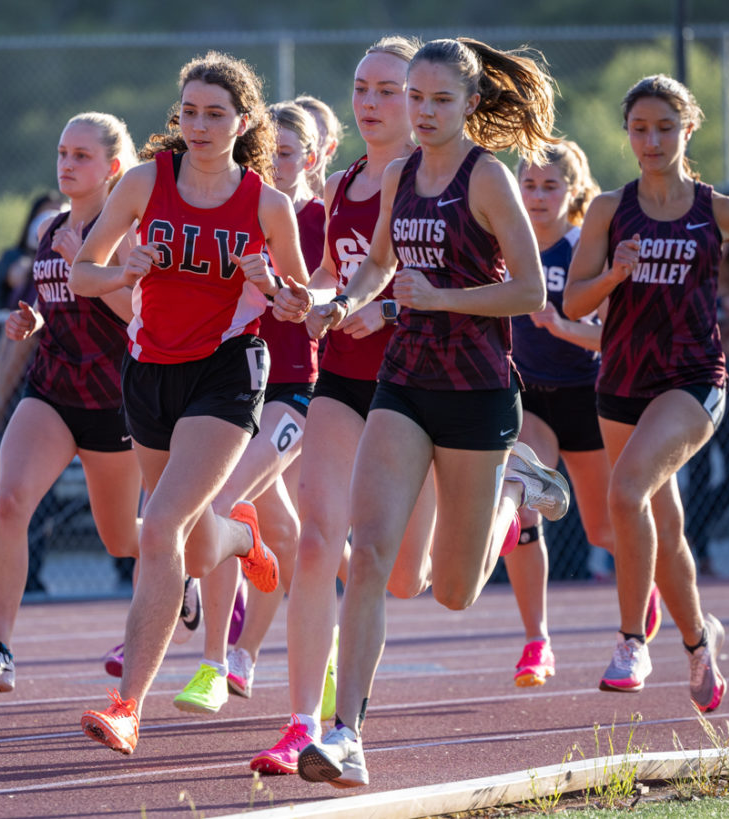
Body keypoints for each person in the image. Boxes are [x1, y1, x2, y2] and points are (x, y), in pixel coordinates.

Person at [291, 36, 570, 789]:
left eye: (440, 100)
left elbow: (532, 293)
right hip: (406, 381)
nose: (421, 112)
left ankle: (519, 486)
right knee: (371, 553)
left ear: (471, 104)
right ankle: (345, 732)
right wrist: (350, 299)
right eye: (414, 97)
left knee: (454, 590)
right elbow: (381, 258)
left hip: (478, 391)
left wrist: (443, 297)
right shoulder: (401, 174)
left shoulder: (489, 181)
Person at [70, 52, 310, 755]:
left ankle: (126, 707)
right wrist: (123, 268)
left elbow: (302, 307)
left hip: (227, 373)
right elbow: (82, 274)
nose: (200, 125)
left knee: (158, 528)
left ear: (243, 122)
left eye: (215, 113)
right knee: (199, 542)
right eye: (190, 112)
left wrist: (274, 283)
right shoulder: (147, 182)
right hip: (148, 371)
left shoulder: (268, 204)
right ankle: (243, 535)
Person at [563, 75, 729, 712]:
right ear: (627, 134)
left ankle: (633, 639)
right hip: (620, 382)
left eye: (665, 127)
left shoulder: (720, 210)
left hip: (692, 381)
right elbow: (574, 301)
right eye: (639, 129)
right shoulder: (609, 209)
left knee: (626, 492)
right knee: (662, 524)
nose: (652, 139)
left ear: (689, 129)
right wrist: (614, 272)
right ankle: (698, 642)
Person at [252, 36, 440, 778]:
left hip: (424, 383)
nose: (370, 102)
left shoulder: (438, 180)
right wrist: (312, 301)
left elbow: (456, 282)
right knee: (315, 538)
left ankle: (509, 491)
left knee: (404, 577)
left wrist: (388, 310)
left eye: (388, 90)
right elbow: (335, 273)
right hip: (345, 379)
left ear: (420, 98)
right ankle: (305, 724)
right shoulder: (345, 184)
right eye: (362, 88)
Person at [0, 112, 143, 692]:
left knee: (123, 538)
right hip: (52, 391)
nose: (66, 163)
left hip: (113, 399)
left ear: (113, 167)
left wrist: (86, 262)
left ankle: (184, 563)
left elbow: (137, 317)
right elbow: (54, 303)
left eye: (82, 155)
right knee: (10, 501)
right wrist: (30, 320)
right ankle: (2, 649)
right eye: (63, 152)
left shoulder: (132, 230)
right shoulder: (50, 227)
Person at [170, 100, 326, 715]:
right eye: (272, 153)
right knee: (283, 532)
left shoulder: (317, 217)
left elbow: (322, 300)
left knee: (221, 501)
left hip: (294, 394)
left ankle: (225, 659)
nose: (278, 164)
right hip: (234, 386)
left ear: (313, 157)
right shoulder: (240, 207)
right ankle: (240, 656)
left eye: (290, 153)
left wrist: (281, 284)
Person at [507, 141, 665, 687]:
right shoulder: (508, 243)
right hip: (531, 400)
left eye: (551, 185)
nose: (538, 195)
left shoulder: (584, 248)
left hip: (587, 398)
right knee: (524, 503)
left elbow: (612, 335)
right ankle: (537, 643)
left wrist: (562, 328)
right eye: (529, 184)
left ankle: (646, 589)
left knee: (603, 531)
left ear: (574, 191)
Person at [0, 192, 66, 310]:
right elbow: (13, 277)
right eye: (46, 215)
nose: (52, 221)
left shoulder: (73, 257)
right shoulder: (13, 256)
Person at [295, 94, 344, 198]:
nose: (304, 141)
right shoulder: (270, 201)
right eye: (297, 131)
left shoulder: (339, 203)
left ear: (331, 146)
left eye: (314, 133)